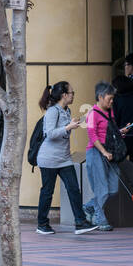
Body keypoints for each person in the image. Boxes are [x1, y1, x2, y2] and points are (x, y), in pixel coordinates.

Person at [35, 81, 97, 235]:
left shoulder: (66, 110)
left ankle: (80, 222)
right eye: (72, 93)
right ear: (64, 95)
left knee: (74, 189)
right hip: (49, 159)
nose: (73, 95)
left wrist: (76, 122)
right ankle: (42, 224)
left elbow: (63, 131)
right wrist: (68, 127)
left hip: (64, 158)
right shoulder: (52, 111)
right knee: (47, 191)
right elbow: (49, 133)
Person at [83, 82, 122, 232]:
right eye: (109, 99)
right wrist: (104, 152)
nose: (112, 102)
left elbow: (109, 131)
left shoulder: (109, 112)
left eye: (113, 99)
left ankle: (88, 207)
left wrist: (120, 131)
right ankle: (101, 220)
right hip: (96, 152)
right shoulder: (92, 113)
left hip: (109, 153)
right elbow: (92, 135)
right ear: (100, 97)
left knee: (113, 189)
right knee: (102, 190)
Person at [114, 54, 133, 169]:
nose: (125, 67)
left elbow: (116, 117)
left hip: (126, 134)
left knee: (114, 163)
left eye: (126, 64)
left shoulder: (121, 96)